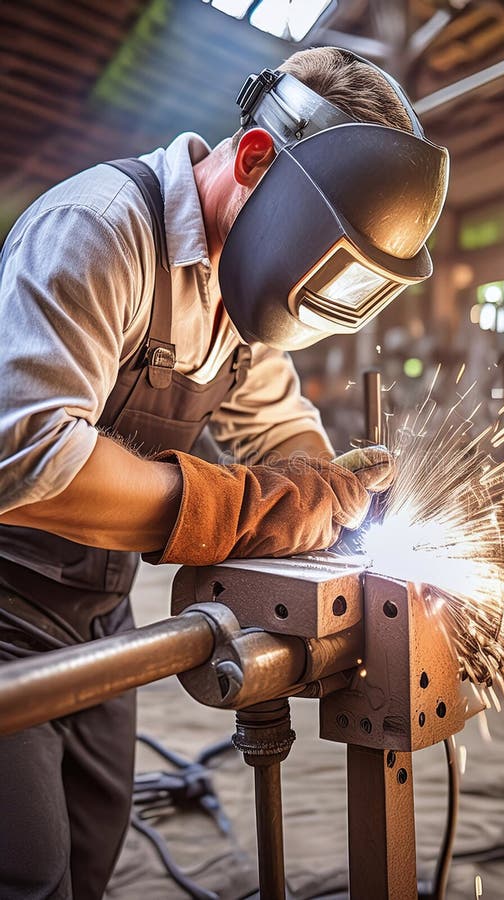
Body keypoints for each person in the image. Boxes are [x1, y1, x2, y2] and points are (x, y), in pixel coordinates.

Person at [0, 46, 448, 899]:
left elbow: (287, 440)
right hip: (0, 615)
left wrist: (343, 499)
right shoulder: (102, 230)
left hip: (95, 620)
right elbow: (32, 456)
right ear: (253, 161)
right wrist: (241, 509)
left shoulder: (237, 298)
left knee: (90, 860)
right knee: (29, 874)